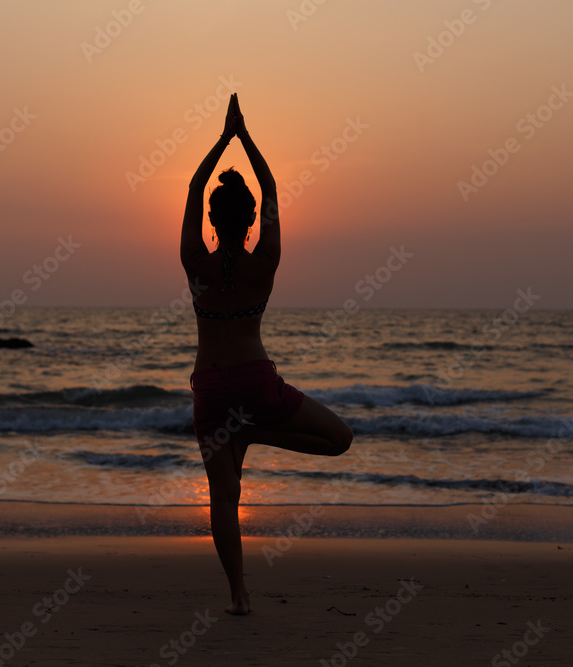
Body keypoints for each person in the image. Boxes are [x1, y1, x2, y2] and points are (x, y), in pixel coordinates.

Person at [181, 93, 354, 615]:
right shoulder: (265, 262)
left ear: (213, 220)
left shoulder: (196, 262)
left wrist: (222, 138)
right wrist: (245, 136)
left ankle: (238, 595)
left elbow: (193, 187)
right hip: (257, 383)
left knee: (224, 497)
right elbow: (273, 186)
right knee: (340, 440)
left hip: (211, 387)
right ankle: (255, 430)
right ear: (251, 221)